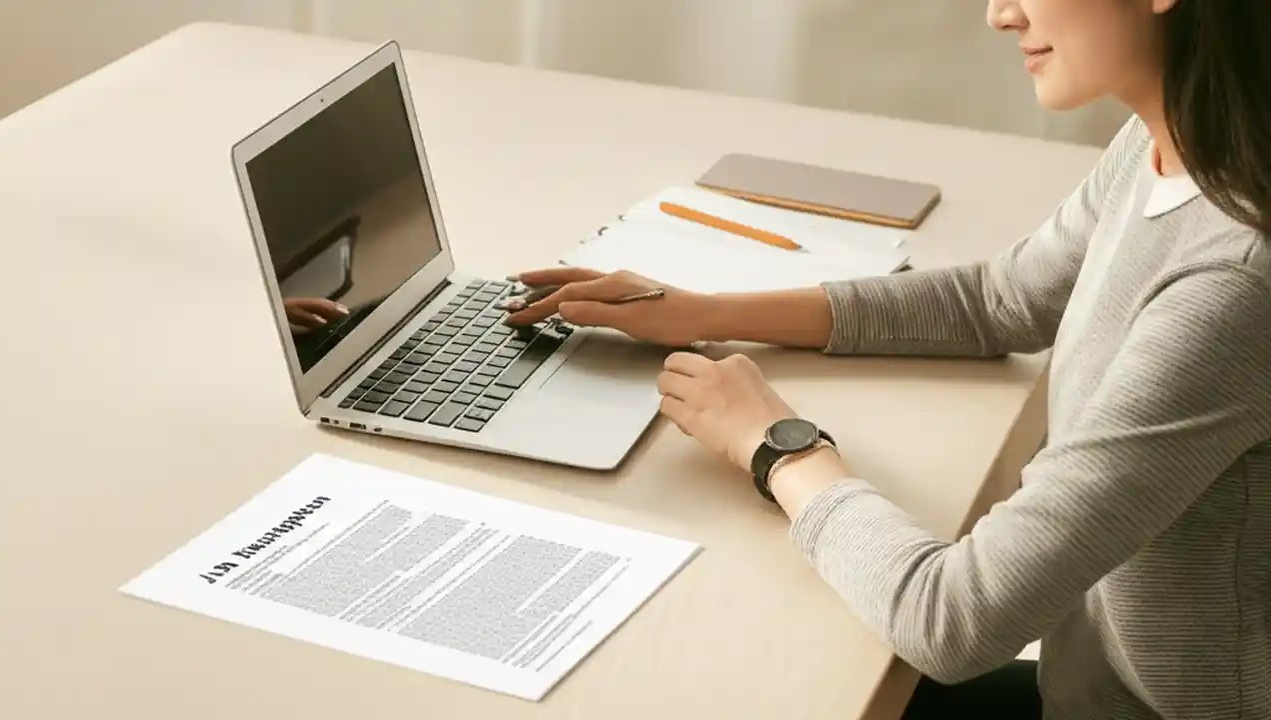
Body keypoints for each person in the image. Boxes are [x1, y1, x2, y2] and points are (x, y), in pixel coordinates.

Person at [503, 1, 1271, 717]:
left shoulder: (1232, 285)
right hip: (1089, 687)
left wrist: (777, 447)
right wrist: (705, 312)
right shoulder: (1170, 142)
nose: (999, 14)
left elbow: (953, 619)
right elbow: (999, 299)